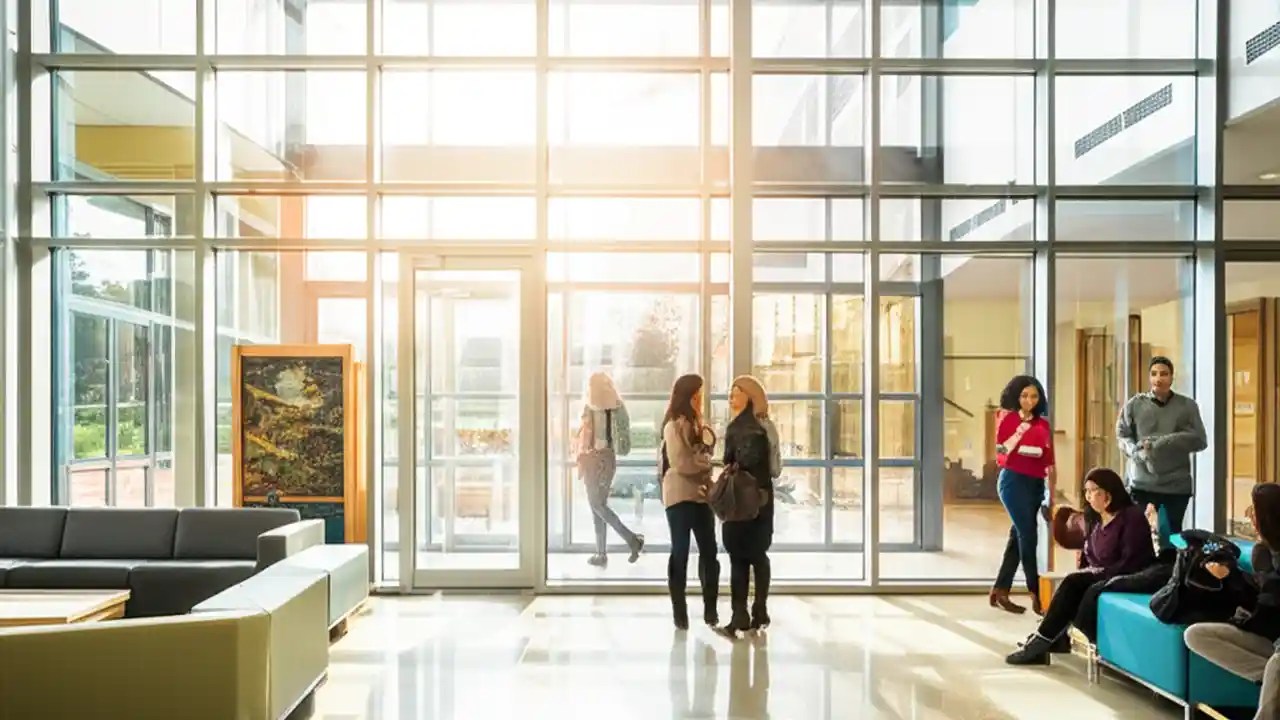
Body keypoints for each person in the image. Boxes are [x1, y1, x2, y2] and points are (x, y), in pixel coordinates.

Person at [1006, 467, 1155, 665]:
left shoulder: (1131, 517)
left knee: (1075, 583)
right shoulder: (1094, 518)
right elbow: (1088, 555)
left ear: (1108, 494)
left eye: (1093, 490)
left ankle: (1040, 644)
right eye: (1086, 491)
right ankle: (1051, 640)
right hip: (1101, 573)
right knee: (1072, 584)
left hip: (1129, 574)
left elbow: (1131, 562)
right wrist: (1088, 572)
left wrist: (1094, 574)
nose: (1088, 495)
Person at [1184, 483, 1280, 720]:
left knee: (1277, 664)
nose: (1249, 516)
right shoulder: (1262, 553)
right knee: (1195, 635)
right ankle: (1273, 679)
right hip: (1269, 636)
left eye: (1254, 511)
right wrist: (1230, 577)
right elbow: (1260, 602)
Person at [1116, 355, 1207, 549]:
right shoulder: (1134, 404)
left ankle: (1172, 576)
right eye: (1154, 374)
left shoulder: (1187, 406)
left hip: (1176, 484)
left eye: (1164, 374)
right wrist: (1135, 452)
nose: (1159, 378)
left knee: (1173, 539)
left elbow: (1200, 440)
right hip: (1141, 483)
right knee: (1138, 537)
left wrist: (1165, 442)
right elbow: (1122, 436)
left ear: (1172, 377)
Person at [718, 375, 782, 638]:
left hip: (738, 499)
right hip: (763, 499)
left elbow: (727, 460)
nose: (731, 397)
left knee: (737, 559)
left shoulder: (734, 428)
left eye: (735, 393)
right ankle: (760, 611)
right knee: (759, 555)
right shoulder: (768, 428)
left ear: (749, 396)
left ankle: (738, 616)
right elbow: (776, 468)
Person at [989, 375, 1056, 615]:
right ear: (1017, 397)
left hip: (1036, 484)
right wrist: (1020, 431)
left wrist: (1052, 494)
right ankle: (1036, 593)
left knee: (1018, 535)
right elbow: (1001, 452)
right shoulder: (1006, 419)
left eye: (1034, 396)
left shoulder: (1043, 425)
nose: (1029, 400)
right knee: (1028, 536)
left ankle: (1000, 590)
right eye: (1025, 396)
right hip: (1013, 482)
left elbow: (1049, 460)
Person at [661, 373, 720, 631]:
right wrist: (706, 463)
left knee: (710, 553)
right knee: (680, 552)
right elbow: (681, 463)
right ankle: (680, 614)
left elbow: (702, 453)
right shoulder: (674, 425)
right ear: (690, 395)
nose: (701, 398)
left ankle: (711, 611)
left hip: (701, 496)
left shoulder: (698, 424)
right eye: (698, 393)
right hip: (679, 497)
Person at [575, 372, 644, 567]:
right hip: (608, 458)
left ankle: (631, 540)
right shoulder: (617, 405)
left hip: (593, 458)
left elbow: (585, 433)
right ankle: (601, 552)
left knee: (596, 505)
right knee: (598, 505)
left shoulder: (591, 405)